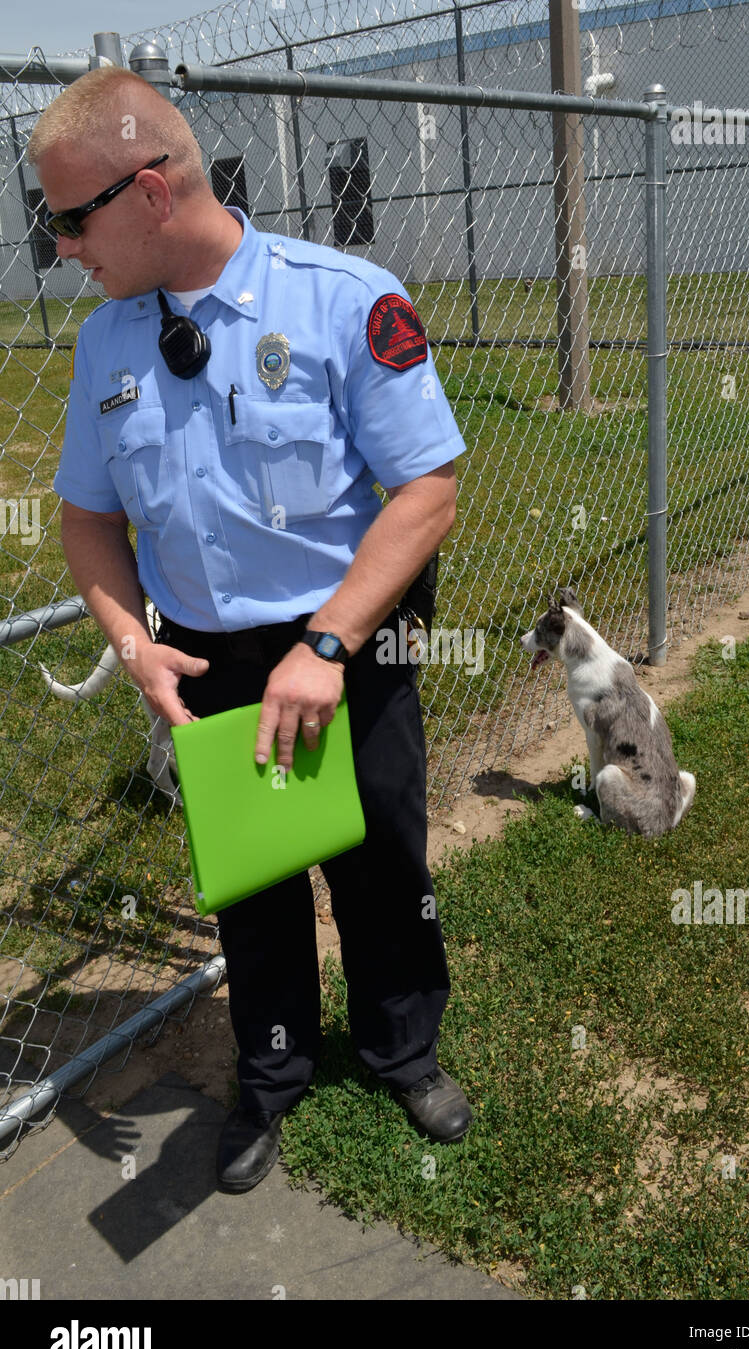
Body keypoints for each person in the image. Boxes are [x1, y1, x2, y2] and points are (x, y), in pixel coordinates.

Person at [28, 66, 472, 1194]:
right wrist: (135, 646)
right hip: (210, 658)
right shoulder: (105, 348)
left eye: (70, 220)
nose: (62, 246)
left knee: (380, 864)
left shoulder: (340, 299)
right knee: (252, 886)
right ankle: (271, 1070)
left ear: (147, 193)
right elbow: (88, 519)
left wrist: (325, 649)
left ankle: (401, 1049)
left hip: (346, 642)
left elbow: (426, 489)